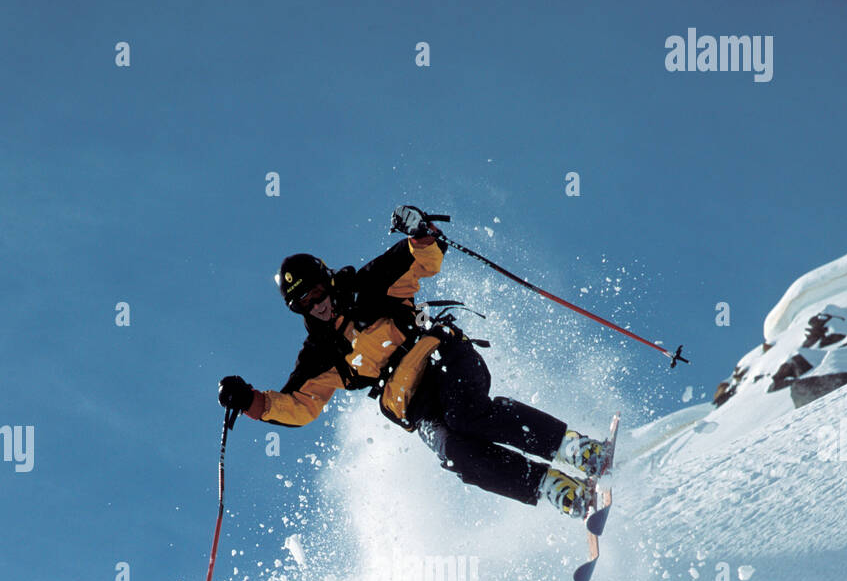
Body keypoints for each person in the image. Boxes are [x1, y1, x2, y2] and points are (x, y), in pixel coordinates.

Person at [217, 205, 612, 517]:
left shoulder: (367, 285)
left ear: (327, 279)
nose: (317, 306)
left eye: (317, 293)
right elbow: (300, 407)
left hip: (442, 357)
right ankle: (555, 487)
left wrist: (420, 230)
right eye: (303, 303)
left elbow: (422, 258)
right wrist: (249, 401)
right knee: (455, 452)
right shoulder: (319, 356)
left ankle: (575, 449)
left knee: (467, 415)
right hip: (415, 405)